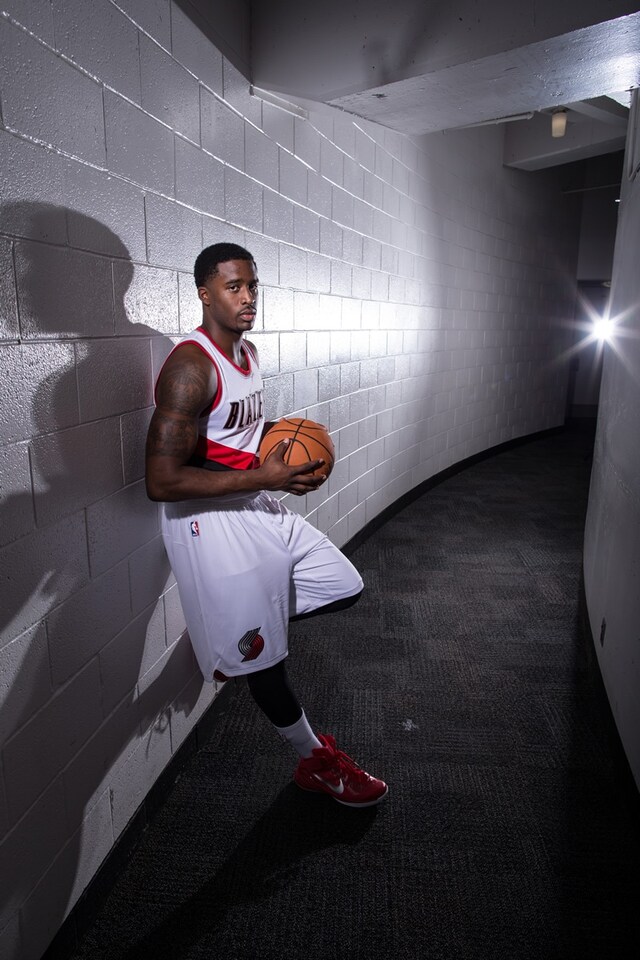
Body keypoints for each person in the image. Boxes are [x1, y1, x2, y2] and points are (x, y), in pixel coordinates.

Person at [145, 242, 388, 807]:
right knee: (268, 663)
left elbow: (236, 437)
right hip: (211, 522)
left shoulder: (248, 353)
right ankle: (315, 763)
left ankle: (233, 629)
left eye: (253, 287)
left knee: (344, 584)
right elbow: (162, 480)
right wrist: (265, 478)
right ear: (205, 292)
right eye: (234, 287)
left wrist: (287, 439)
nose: (248, 298)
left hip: (255, 503)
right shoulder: (189, 367)